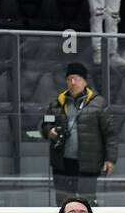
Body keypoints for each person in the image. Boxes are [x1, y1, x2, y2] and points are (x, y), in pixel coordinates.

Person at [41, 62, 117, 205]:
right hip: (62, 162)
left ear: (84, 81)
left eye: (76, 78)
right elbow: (45, 124)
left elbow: (110, 134)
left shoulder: (98, 104)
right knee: (63, 202)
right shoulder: (57, 103)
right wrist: (49, 131)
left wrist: (110, 159)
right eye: (69, 79)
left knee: (86, 202)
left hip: (88, 161)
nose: (73, 82)